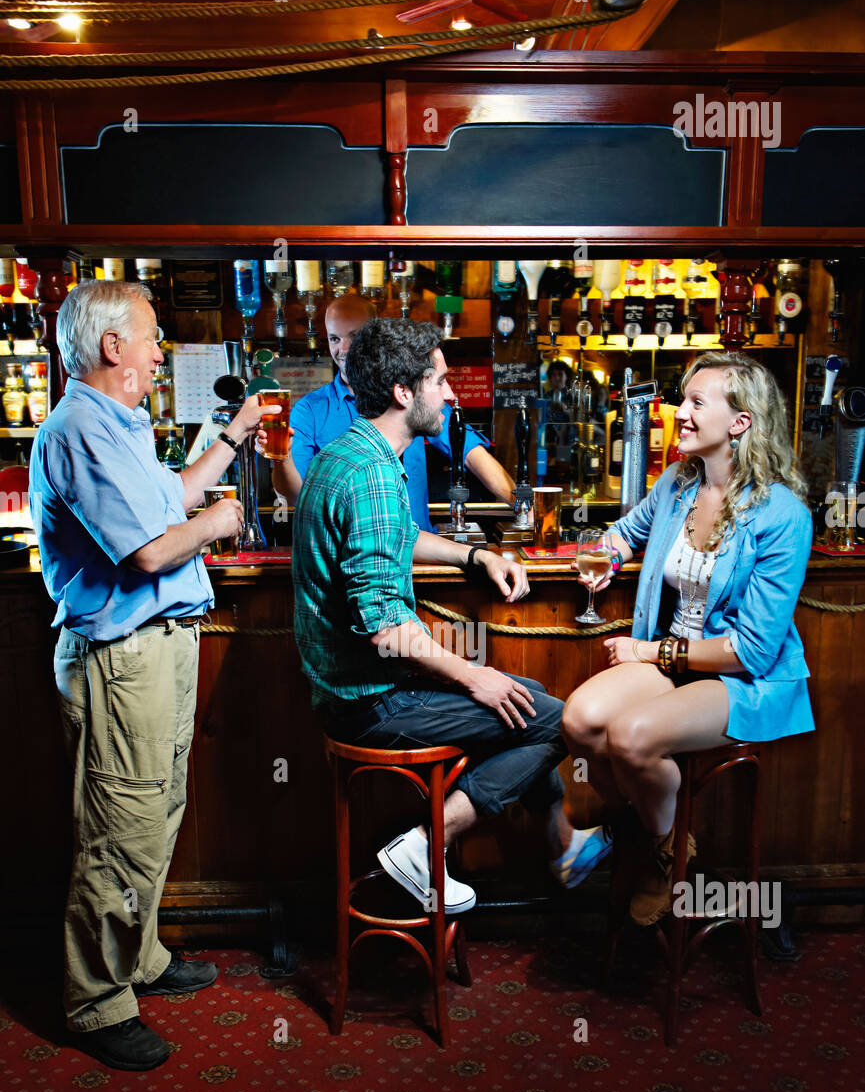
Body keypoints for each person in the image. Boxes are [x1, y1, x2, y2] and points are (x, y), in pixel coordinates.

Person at [29, 279, 276, 1072]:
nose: (159, 347)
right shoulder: (78, 430)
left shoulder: (117, 424)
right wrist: (216, 524)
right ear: (112, 348)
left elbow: (167, 496)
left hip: (160, 645)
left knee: (157, 807)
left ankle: (137, 960)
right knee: (119, 828)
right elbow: (147, 551)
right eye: (150, 334)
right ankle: (97, 1002)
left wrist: (231, 440)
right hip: (121, 656)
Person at [292, 317, 612, 911]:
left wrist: (475, 554)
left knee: (528, 695)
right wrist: (473, 676)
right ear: (403, 393)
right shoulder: (373, 475)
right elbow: (385, 626)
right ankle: (426, 842)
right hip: (370, 701)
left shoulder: (349, 455)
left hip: (344, 691)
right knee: (559, 721)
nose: (450, 393)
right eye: (439, 380)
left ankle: (559, 845)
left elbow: (393, 538)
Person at [561, 350, 814, 925]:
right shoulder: (679, 482)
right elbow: (626, 531)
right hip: (675, 659)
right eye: (684, 399)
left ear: (741, 422)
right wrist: (607, 556)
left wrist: (649, 651)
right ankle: (655, 829)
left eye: (697, 402)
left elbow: (751, 649)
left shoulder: (784, 515)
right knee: (579, 720)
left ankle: (659, 851)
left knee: (630, 736)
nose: (680, 412)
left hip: (743, 677)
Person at [271, 293, 516, 531]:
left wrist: (523, 507)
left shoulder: (413, 396)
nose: (343, 349)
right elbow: (298, 497)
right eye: (334, 339)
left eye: (354, 336)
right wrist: (279, 458)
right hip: (361, 552)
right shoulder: (310, 410)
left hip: (421, 552)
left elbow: (472, 454)